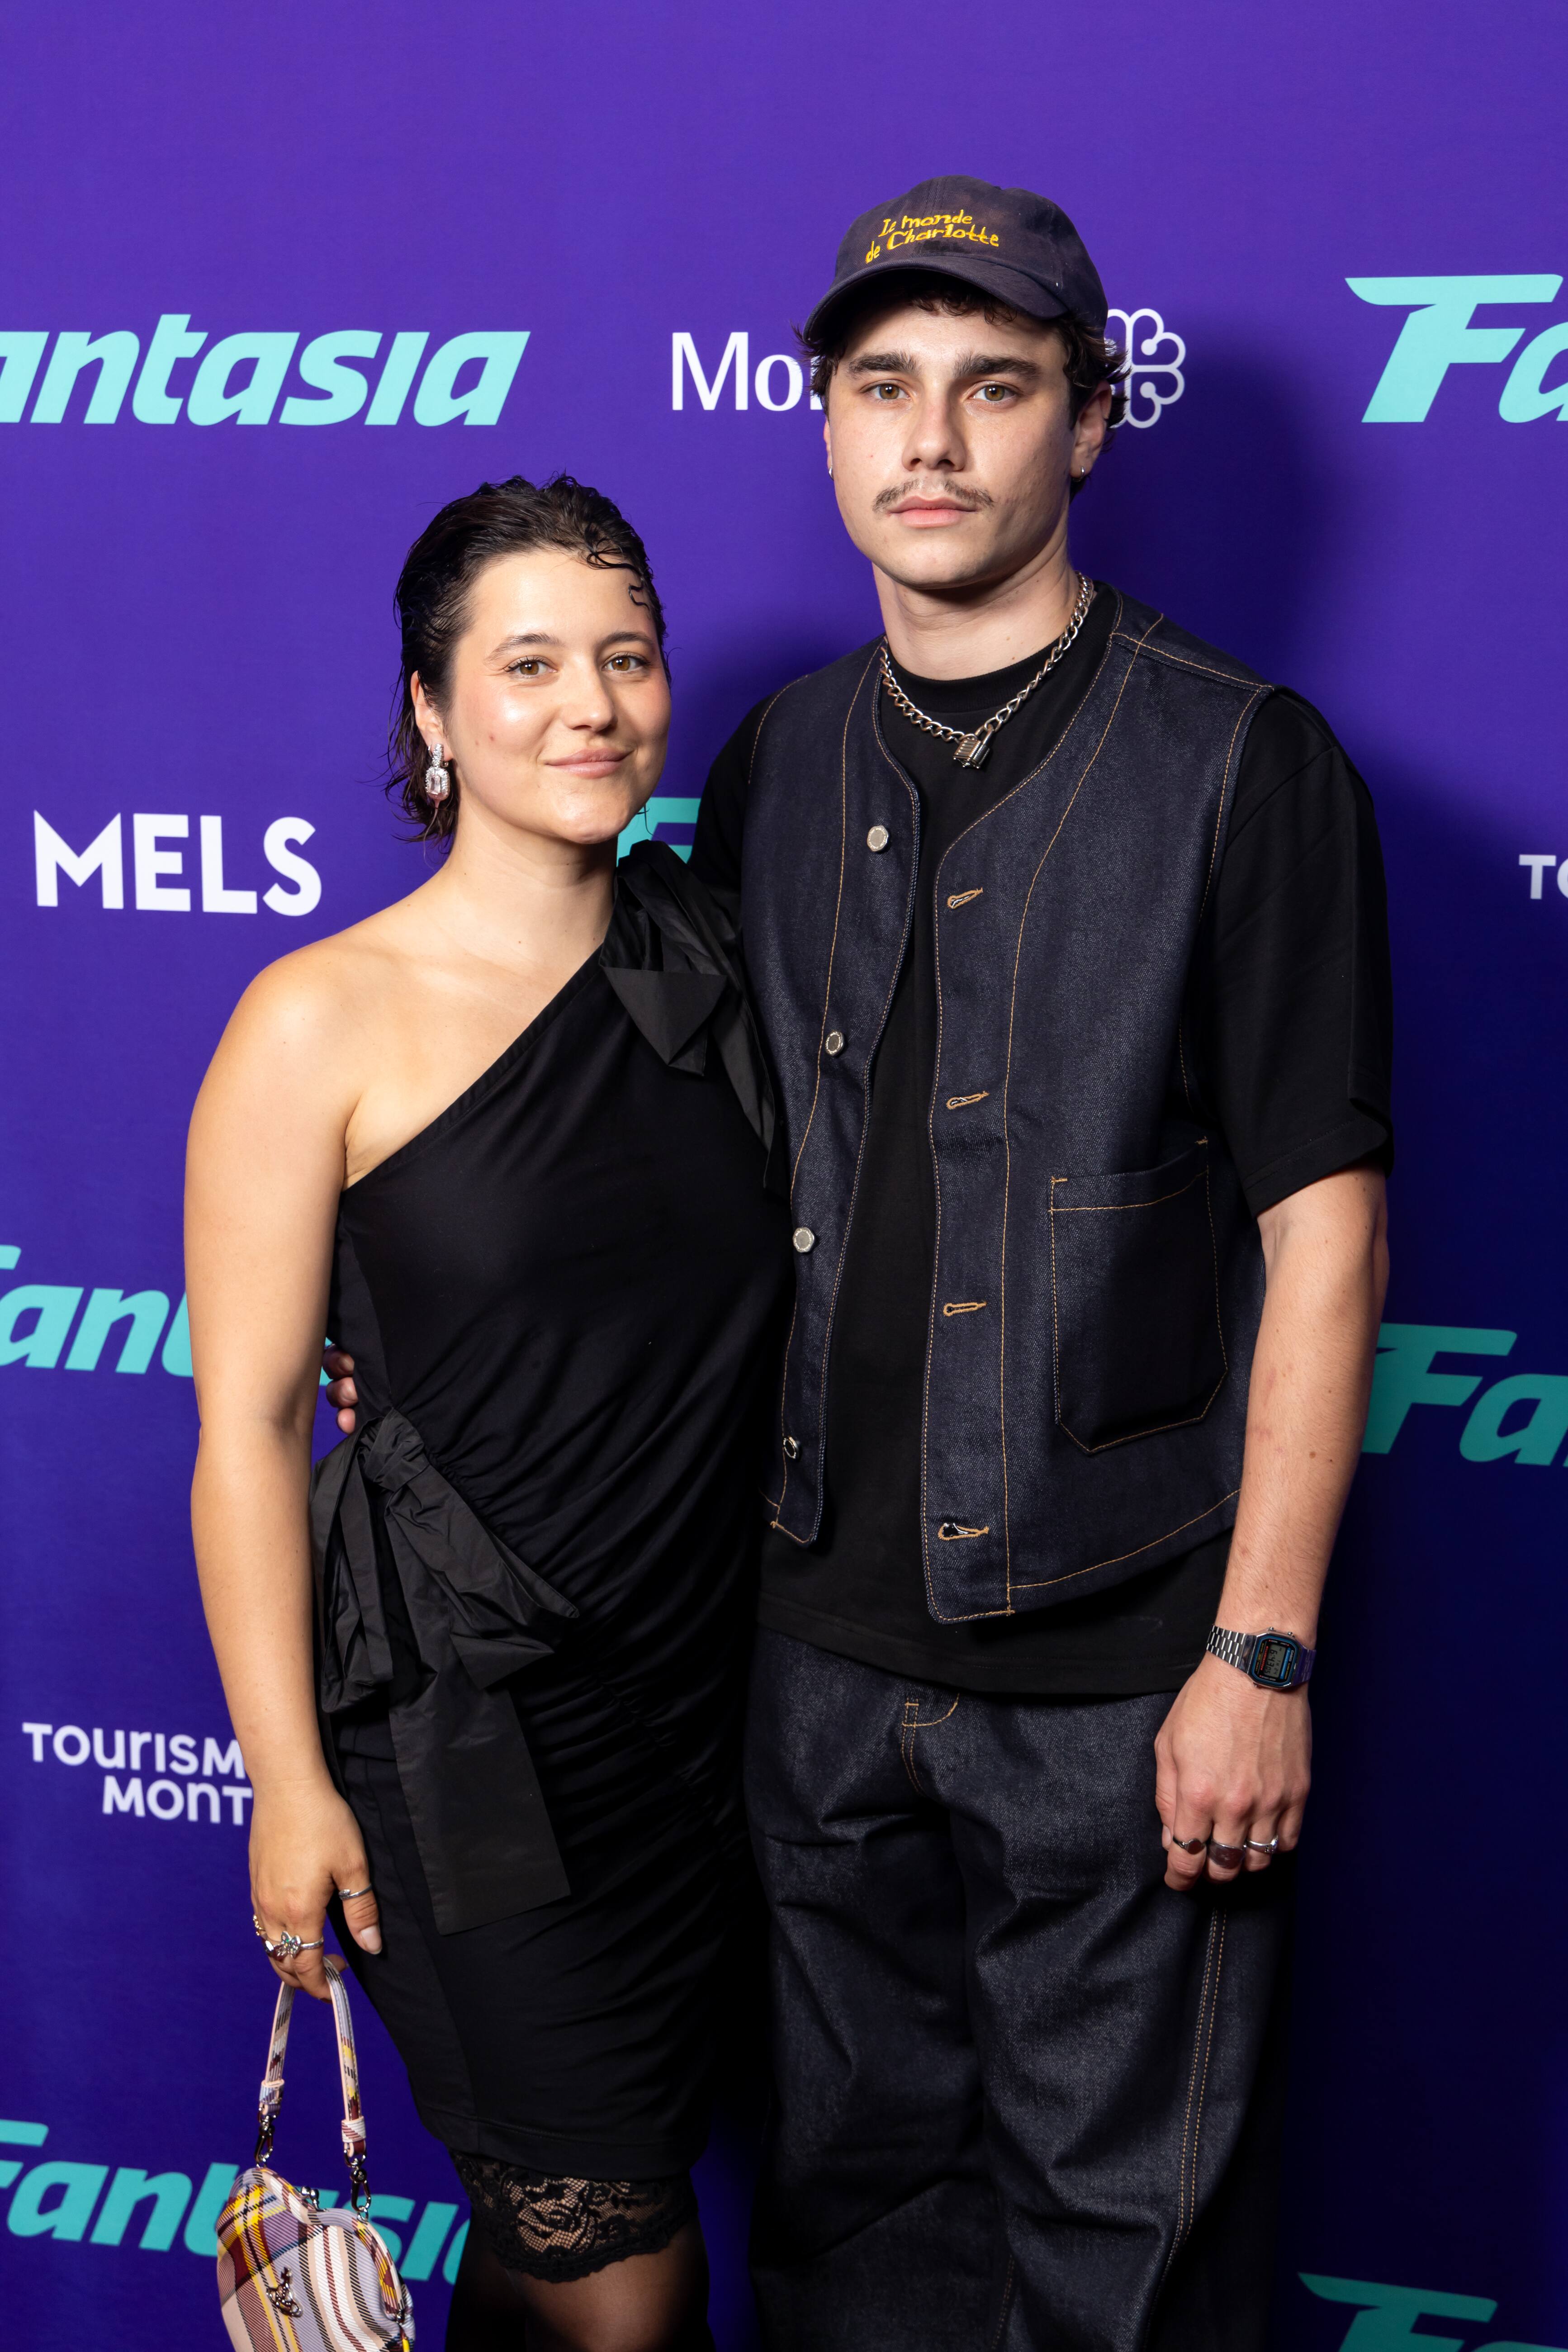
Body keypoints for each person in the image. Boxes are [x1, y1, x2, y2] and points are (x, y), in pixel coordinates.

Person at [687, 179, 1393, 2348]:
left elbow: (1326, 1226)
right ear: (823, 429)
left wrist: (1257, 1658)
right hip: (810, 1668)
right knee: (846, 2258)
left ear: (1089, 424)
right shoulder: (774, 757)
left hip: (1120, 1684)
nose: (933, 440)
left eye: (995, 388)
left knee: (1131, 2275)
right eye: (884, 389)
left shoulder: (1240, 760)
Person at [186, 474, 790, 2352]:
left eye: (625, 656)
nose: (591, 702)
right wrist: (287, 1783)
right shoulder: (318, 1017)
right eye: (528, 664)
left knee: (571, 2263)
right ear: (432, 714)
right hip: (472, 1740)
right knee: (618, 2270)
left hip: (732, 1719)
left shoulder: (730, 954)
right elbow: (246, 1436)